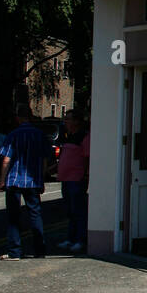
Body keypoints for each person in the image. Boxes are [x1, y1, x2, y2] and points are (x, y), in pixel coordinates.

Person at [0, 104, 51, 260]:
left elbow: (6, 159)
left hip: (14, 180)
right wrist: (41, 179)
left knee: (13, 217)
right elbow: (44, 160)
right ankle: (39, 250)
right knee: (35, 214)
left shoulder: (13, 135)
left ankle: (15, 251)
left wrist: (2, 180)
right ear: (31, 117)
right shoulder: (40, 135)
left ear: (18, 118)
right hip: (33, 181)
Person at [55, 109, 90, 254]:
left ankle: (80, 240)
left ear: (77, 121)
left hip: (77, 179)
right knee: (70, 211)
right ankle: (70, 238)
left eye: (68, 119)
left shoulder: (84, 137)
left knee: (79, 211)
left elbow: (87, 157)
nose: (65, 122)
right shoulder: (68, 137)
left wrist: (86, 175)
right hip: (66, 178)